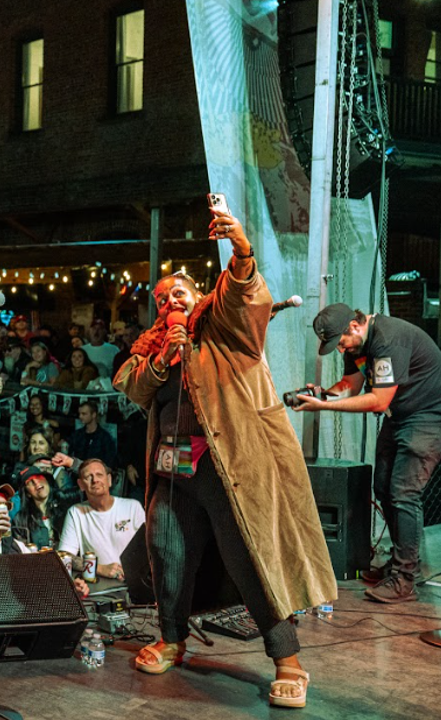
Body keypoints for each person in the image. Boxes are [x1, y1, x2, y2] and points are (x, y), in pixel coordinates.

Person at [114, 210, 335, 708]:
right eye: (161, 298)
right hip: (175, 471)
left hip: (229, 467)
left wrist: (242, 251)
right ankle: (172, 639)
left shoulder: (223, 326)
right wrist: (162, 358)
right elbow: (131, 385)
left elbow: (243, 295)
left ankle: (288, 660)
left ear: (198, 294)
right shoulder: (155, 348)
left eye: (179, 292)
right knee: (166, 551)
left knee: (248, 557)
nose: (170, 301)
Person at [297, 303, 441, 602]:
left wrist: (324, 406)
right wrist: (323, 394)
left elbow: (378, 401)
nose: (341, 350)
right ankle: (404, 563)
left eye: (341, 342)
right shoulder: (356, 345)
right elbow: (351, 386)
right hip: (400, 416)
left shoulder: (388, 340)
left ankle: (405, 578)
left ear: (354, 326)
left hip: (430, 417)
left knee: (404, 493)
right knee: (383, 487)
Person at [56, 459, 144, 580]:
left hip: (134, 581)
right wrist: (98, 568)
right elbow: (64, 556)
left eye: (99, 475)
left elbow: (149, 549)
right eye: (89, 477)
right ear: (81, 485)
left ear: (109, 480)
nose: (95, 480)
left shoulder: (132, 507)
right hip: (99, 584)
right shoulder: (75, 512)